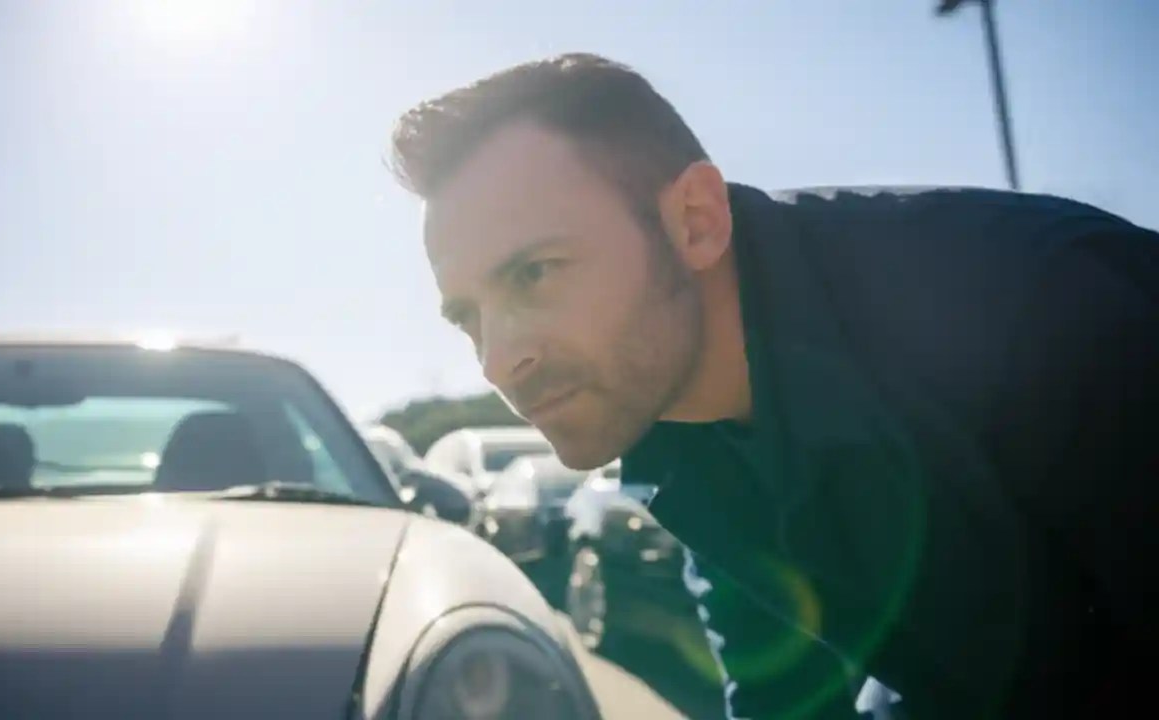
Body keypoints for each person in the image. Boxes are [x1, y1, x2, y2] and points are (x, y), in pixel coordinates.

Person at [387, 53, 1158, 719]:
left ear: (695, 220)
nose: (496, 361)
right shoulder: (677, 435)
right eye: (468, 318)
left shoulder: (1031, 311)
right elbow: (779, 694)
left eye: (533, 274)